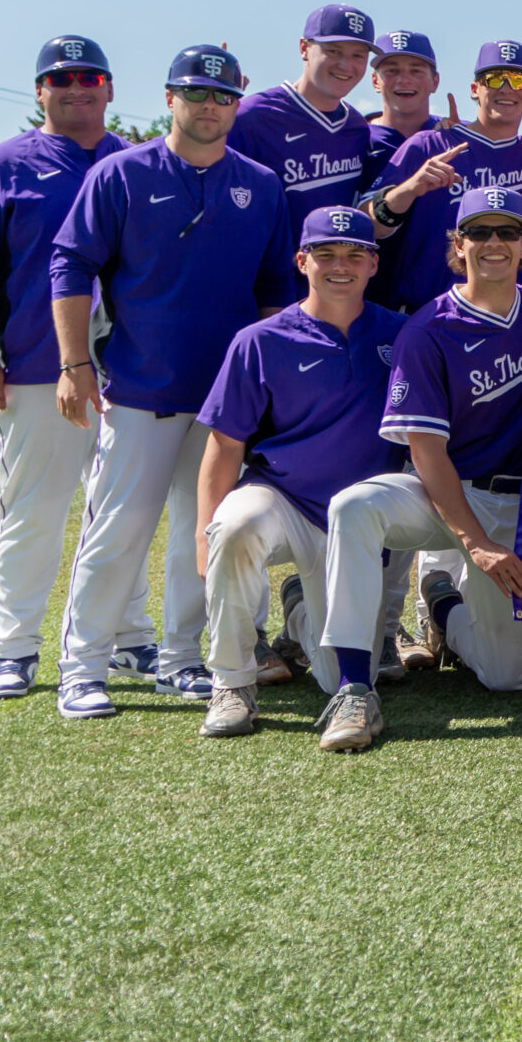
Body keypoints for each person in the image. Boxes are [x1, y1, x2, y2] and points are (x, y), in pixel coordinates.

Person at [320, 189, 522, 723]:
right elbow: (426, 450)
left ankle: (446, 605)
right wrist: (476, 543)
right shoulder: (429, 328)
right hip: (454, 492)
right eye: (479, 232)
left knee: (510, 675)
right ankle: (354, 685)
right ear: (458, 245)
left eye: (507, 233)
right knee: (353, 507)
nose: (493, 243)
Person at [48, 46, 297, 718]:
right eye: (196, 92)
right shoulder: (121, 174)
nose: (209, 105)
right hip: (139, 391)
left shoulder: (262, 184)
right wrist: (74, 366)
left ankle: (183, 659)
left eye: (221, 95)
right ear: (170, 98)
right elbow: (70, 265)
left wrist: (273, 387)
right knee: (117, 531)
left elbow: (275, 290)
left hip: (226, 401)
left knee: (204, 533)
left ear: (236, 103)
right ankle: (83, 666)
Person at [0, 37, 129, 702]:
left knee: (123, 513)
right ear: (39, 90)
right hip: (33, 365)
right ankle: (13, 647)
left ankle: (129, 637)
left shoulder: (137, 162)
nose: (76, 87)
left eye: (89, 76)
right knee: (34, 511)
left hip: (133, 373)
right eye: (61, 77)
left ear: (110, 87)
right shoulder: (2, 165)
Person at [192, 206, 409, 745]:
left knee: (338, 677)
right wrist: (205, 532)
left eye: (355, 253)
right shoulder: (260, 340)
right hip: (283, 496)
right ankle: (233, 681)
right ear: (301, 260)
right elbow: (224, 445)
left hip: (357, 522)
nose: (341, 265)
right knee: (236, 527)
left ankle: (297, 615)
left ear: (374, 263)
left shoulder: (400, 333)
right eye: (326, 254)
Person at [367, 41, 522, 312]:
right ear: (475, 89)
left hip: (509, 322)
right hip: (424, 314)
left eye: (519, 80)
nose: (506, 88)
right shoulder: (429, 145)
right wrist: (411, 188)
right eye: (494, 79)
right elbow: (369, 227)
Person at [229, 4, 380, 231]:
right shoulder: (251, 117)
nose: (346, 65)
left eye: (357, 55)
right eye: (333, 51)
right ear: (303, 48)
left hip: (337, 265)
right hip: (267, 265)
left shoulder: (357, 126)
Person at [363, 30, 445, 184]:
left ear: (435, 82)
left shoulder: (455, 134)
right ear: (375, 81)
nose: (404, 80)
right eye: (392, 71)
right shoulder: (356, 137)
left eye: (416, 71)